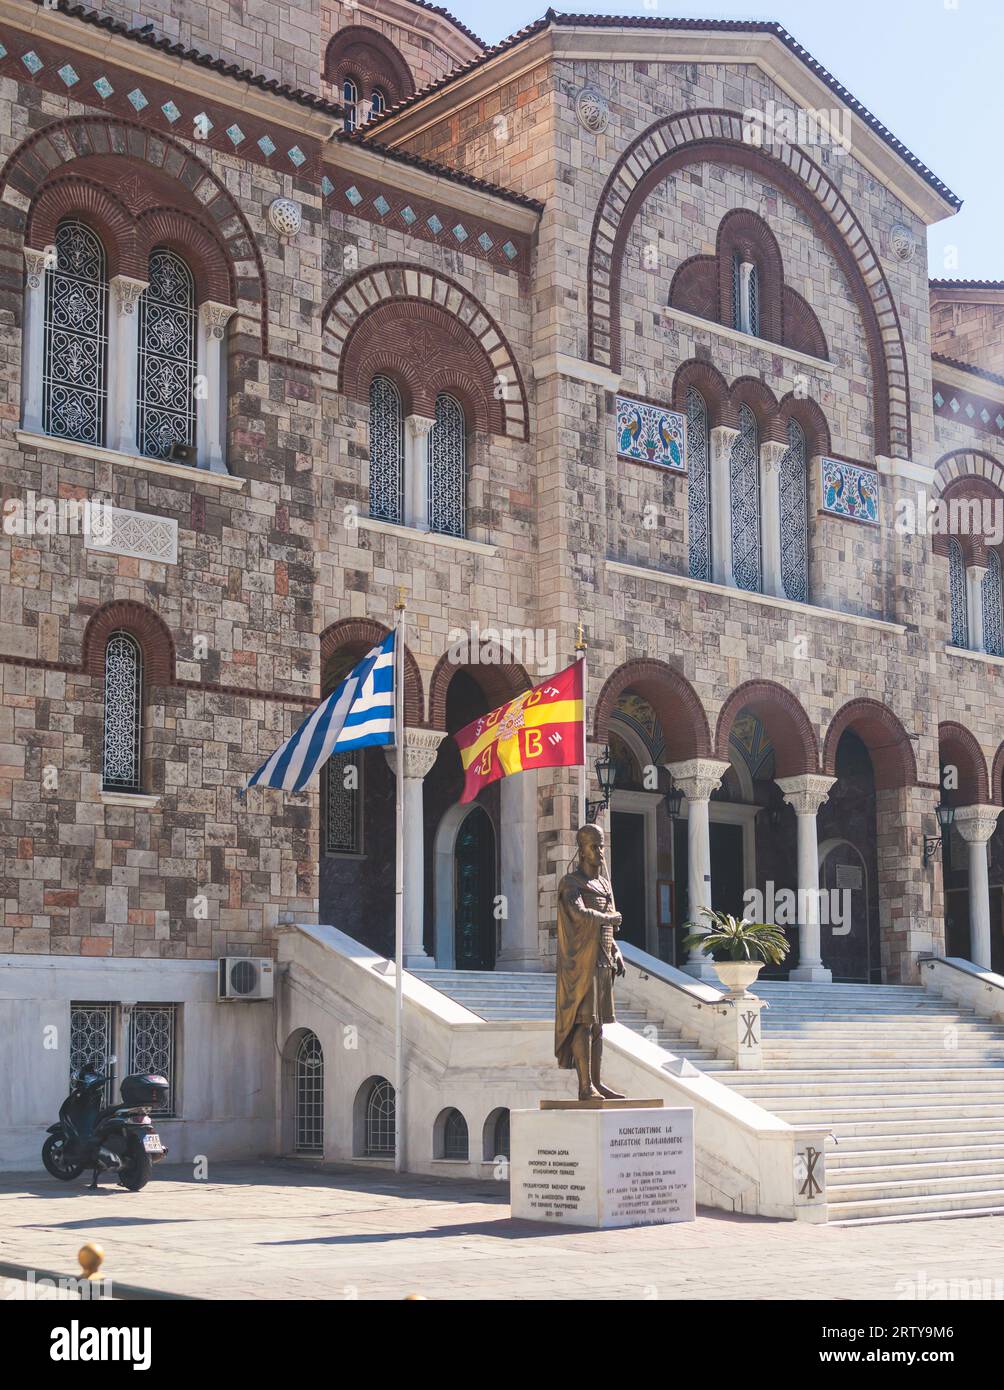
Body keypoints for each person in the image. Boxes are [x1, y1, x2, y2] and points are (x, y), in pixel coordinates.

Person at [554, 823, 626, 1101]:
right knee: (583, 1021)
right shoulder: (570, 884)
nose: (599, 852)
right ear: (581, 851)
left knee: (598, 1024)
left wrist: (616, 950)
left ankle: (597, 1081)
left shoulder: (604, 884)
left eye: (601, 846)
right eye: (593, 847)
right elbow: (578, 914)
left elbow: (605, 929)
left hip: (602, 959)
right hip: (579, 964)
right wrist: (609, 918)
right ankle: (585, 1086)